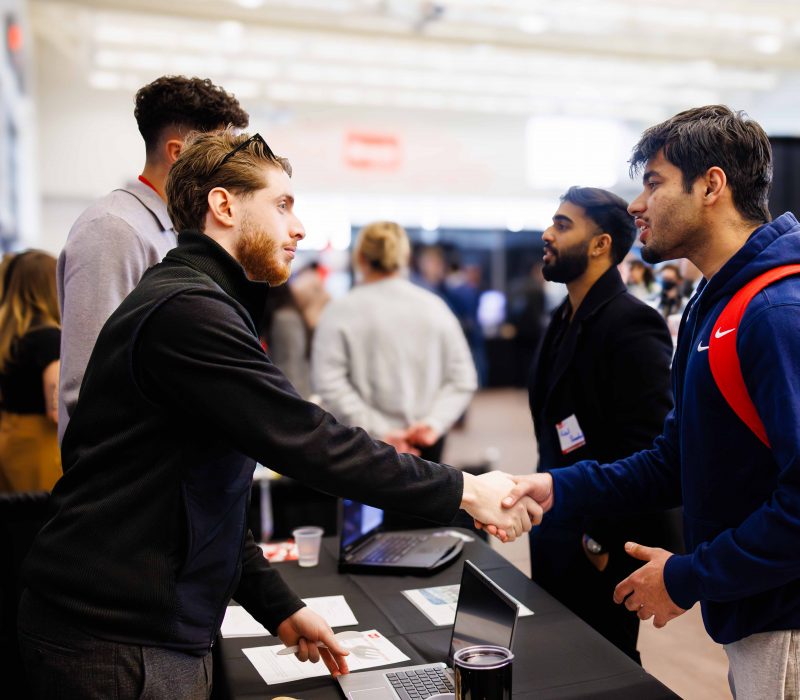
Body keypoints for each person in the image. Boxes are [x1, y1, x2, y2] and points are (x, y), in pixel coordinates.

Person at [18, 130, 537, 699]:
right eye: (283, 205)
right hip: (119, 639)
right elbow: (309, 441)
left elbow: (203, 497)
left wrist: (279, 606)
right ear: (224, 206)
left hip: (137, 626)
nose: (299, 228)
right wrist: (466, 490)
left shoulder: (196, 300)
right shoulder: (188, 310)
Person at [498, 106, 800, 698]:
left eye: (654, 183)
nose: (637, 205)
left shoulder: (785, 313)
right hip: (766, 609)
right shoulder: (715, 305)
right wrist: (559, 488)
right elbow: (675, 459)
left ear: (711, 186)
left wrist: (686, 577)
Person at [529, 186, 677, 662]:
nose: (547, 234)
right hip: (554, 528)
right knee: (556, 664)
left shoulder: (632, 324)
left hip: (599, 543)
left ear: (600, 245)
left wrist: (600, 544)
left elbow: (650, 449)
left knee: (604, 668)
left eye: (563, 225)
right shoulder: (563, 316)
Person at [56, 75, 249, 441]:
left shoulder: (173, 231)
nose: (232, 169)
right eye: (223, 154)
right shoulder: (114, 229)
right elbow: (88, 384)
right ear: (178, 152)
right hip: (128, 468)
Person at [312, 221, 477, 462]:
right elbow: (463, 378)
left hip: (363, 442)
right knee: (427, 488)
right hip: (425, 442)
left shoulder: (339, 311)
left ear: (360, 257)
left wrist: (380, 430)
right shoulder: (435, 307)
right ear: (405, 257)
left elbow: (329, 383)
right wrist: (433, 423)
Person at [0, 251, 62, 492]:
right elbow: (56, 409)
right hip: (39, 447)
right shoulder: (49, 339)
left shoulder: (9, 338)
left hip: (9, 438)